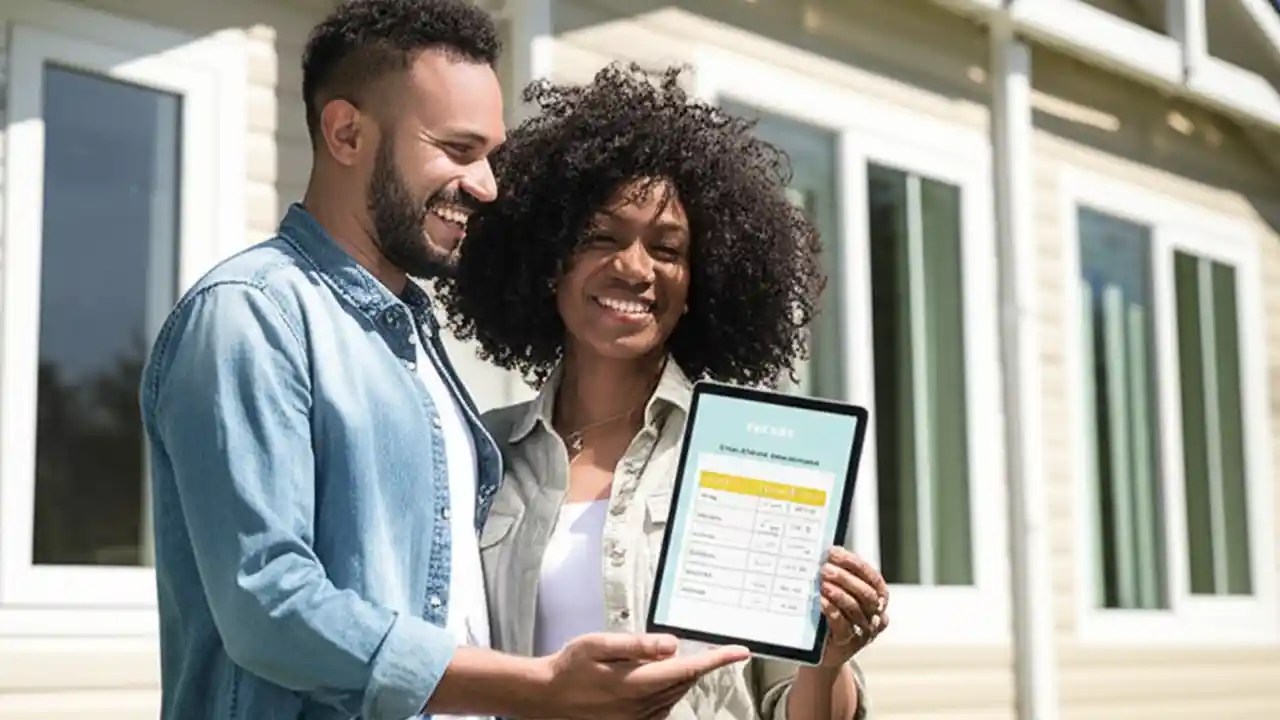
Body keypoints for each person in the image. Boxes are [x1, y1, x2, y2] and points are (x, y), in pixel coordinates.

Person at [138, 3, 746, 719]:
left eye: (489, 155)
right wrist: (538, 688)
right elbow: (268, 603)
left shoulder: (418, 346)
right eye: (458, 150)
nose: (487, 186)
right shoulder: (251, 314)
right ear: (346, 132)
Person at [440, 63, 891, 720]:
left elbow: (789, 705)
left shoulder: (751, 459)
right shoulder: (481, 453)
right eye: (602, 238)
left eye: (668, 248)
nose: (634, 268)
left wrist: (830, 658)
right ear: (547, 262)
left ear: (698, 283)